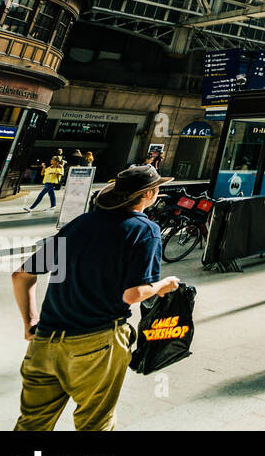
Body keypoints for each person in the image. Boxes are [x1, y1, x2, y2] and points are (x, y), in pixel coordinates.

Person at [10, 164, 179, 431]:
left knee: (32, 423)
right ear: (149, 193)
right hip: (97, 343)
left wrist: (30, 322)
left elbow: (21, 276)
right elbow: (133, 293)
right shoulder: (145, 230)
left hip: (45, 342)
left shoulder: (79, 224)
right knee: (95, 424)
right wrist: (162, 285)